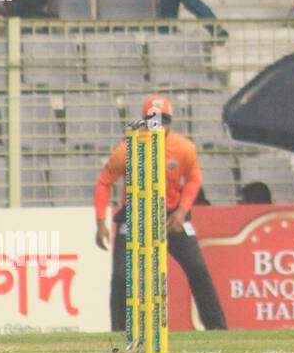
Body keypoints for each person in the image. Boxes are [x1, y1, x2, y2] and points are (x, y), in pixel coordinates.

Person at [95, 96, 227, 333]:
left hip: (171, 217)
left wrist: (183, 211)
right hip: (136, 215)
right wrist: (100, 221)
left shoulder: (184, 148)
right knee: (122, 277)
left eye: (164, 120)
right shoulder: (128, 149)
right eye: (153, 120)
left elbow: (194, 180)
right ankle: (121, 332)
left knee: (198, 270)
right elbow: (104, 181)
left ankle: (218, 328)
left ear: (170, 121)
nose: (159, 125)